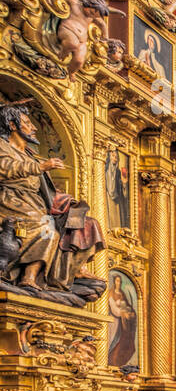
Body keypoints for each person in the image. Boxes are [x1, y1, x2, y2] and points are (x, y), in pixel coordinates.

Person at [0, 102, 104, 295]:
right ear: (12, 125)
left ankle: (74, 269)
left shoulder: (31, 154)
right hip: (10, 200)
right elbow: (4, 167)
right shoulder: (2, 146)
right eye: (27, 123)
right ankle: (28, 277)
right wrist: (39, 168)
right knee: (47, 228)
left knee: (86, 222)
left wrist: (66, 201)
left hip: (36, 203)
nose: (33, 128)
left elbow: (45, 189)